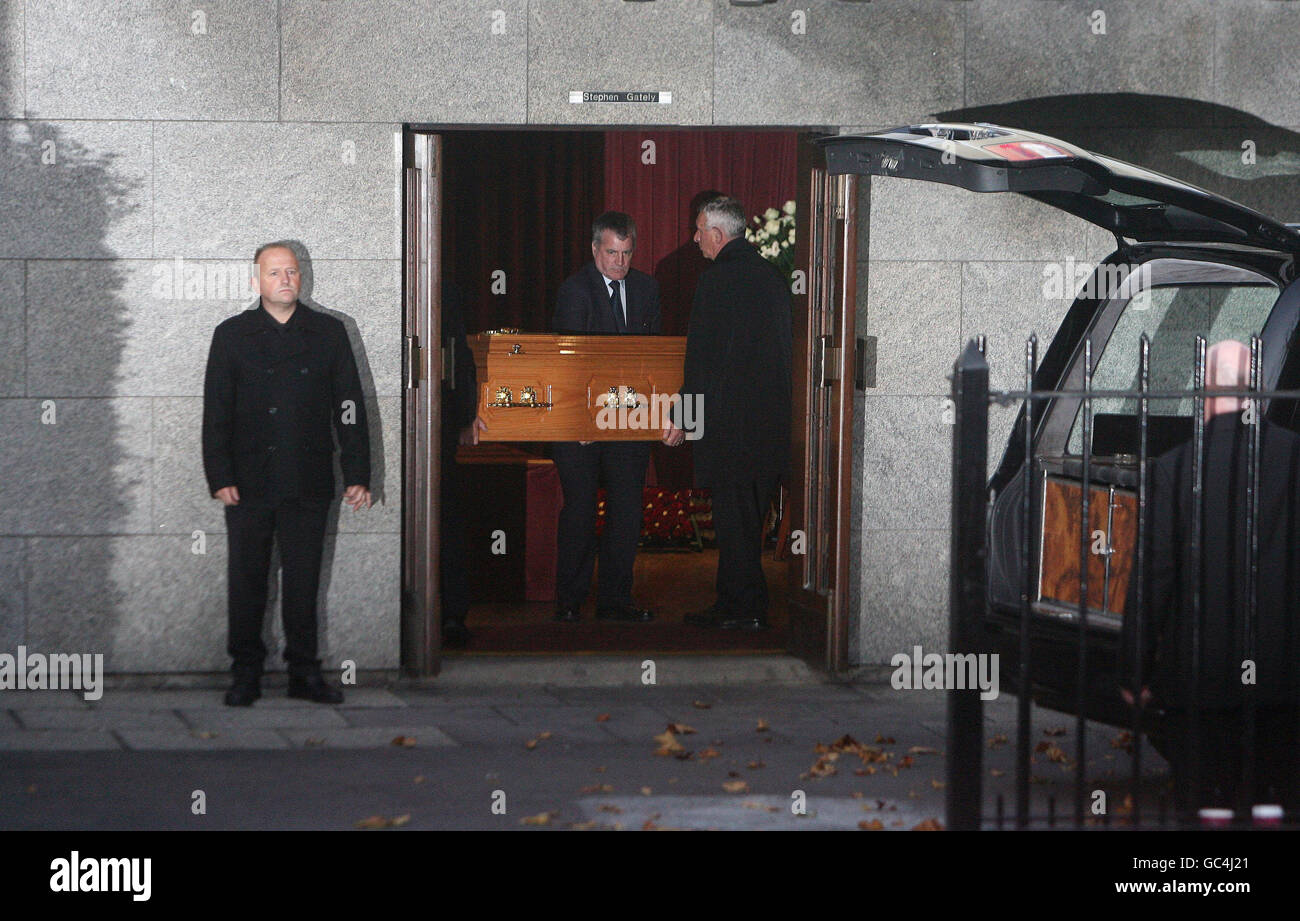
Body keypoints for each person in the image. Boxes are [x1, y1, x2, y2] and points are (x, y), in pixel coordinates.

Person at [1121, 339, 1300, 813]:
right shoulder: (1293, 457)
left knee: (1207, 805)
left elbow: (1153, 575)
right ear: (1256, 393)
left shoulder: (1176, 467)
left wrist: (1134, 668)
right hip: (1283, 676)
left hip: (1199, 674)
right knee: (1273, 803)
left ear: (1205, 392)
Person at [202, 242, 371, 706]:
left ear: (302, 278)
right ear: (256, 281)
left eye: (292, 272)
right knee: (247, 579)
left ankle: (304, 672)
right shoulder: (231, 335)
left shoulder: (329, 332)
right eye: (274, 272)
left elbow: (350, 408)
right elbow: (216, 412)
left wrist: (358, 472)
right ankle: (246, 673)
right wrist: (219, 474)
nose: (285, 280)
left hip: (308, 478)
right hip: (248, 481)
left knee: (303, 581)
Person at [664, 196, 792, 631]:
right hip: (770, 430)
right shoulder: (773, 278)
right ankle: (742, 604)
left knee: (733, 526)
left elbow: (702, 361)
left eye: (699, 229)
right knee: (749, 523)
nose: (694, 237)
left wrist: (684, 417)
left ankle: (742, 609)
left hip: (729, 430)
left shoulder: (717, 281)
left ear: (718, 234)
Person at [551, 212, 661, 623]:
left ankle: (616, 601)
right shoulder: (574, 291)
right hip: (582, 420)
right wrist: (583, 418)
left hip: (629, 417)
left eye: (627, 253)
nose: (620, 263)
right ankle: (570, 600)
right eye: (612, 253)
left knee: (626, 510)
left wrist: (658, 413)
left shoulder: (648, 288)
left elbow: (655, 360)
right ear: (596, 249)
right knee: (579, 510)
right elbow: (569, 361)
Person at [440, 279, 486, 648]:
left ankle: (452, 615)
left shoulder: (443, 289)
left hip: (438, 426)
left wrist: (466, 415)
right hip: (405, 424)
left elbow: (459, 356)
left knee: (447, 519)